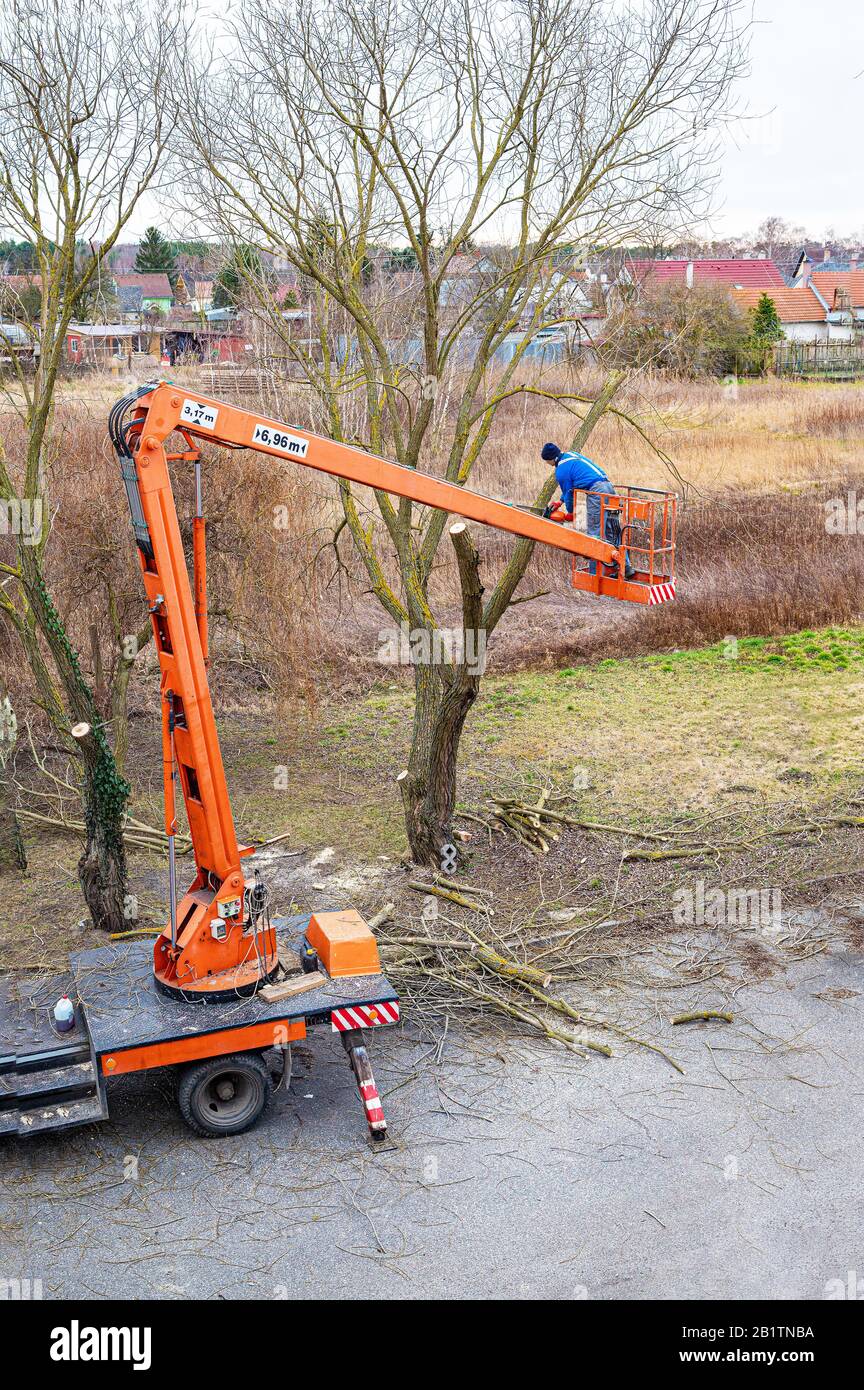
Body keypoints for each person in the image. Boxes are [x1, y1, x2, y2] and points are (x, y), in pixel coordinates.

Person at [540, 441, 635, 579]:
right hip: (608, 488)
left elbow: (569, 494)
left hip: (596, 493)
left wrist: (570, 514)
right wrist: (560, 501)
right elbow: (570, 486)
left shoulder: (561, 470)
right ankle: (625, 567)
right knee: (611, 530)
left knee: (594, 532)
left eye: (546, 461)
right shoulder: (571, 455)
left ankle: (594, 574)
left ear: (550, 459)